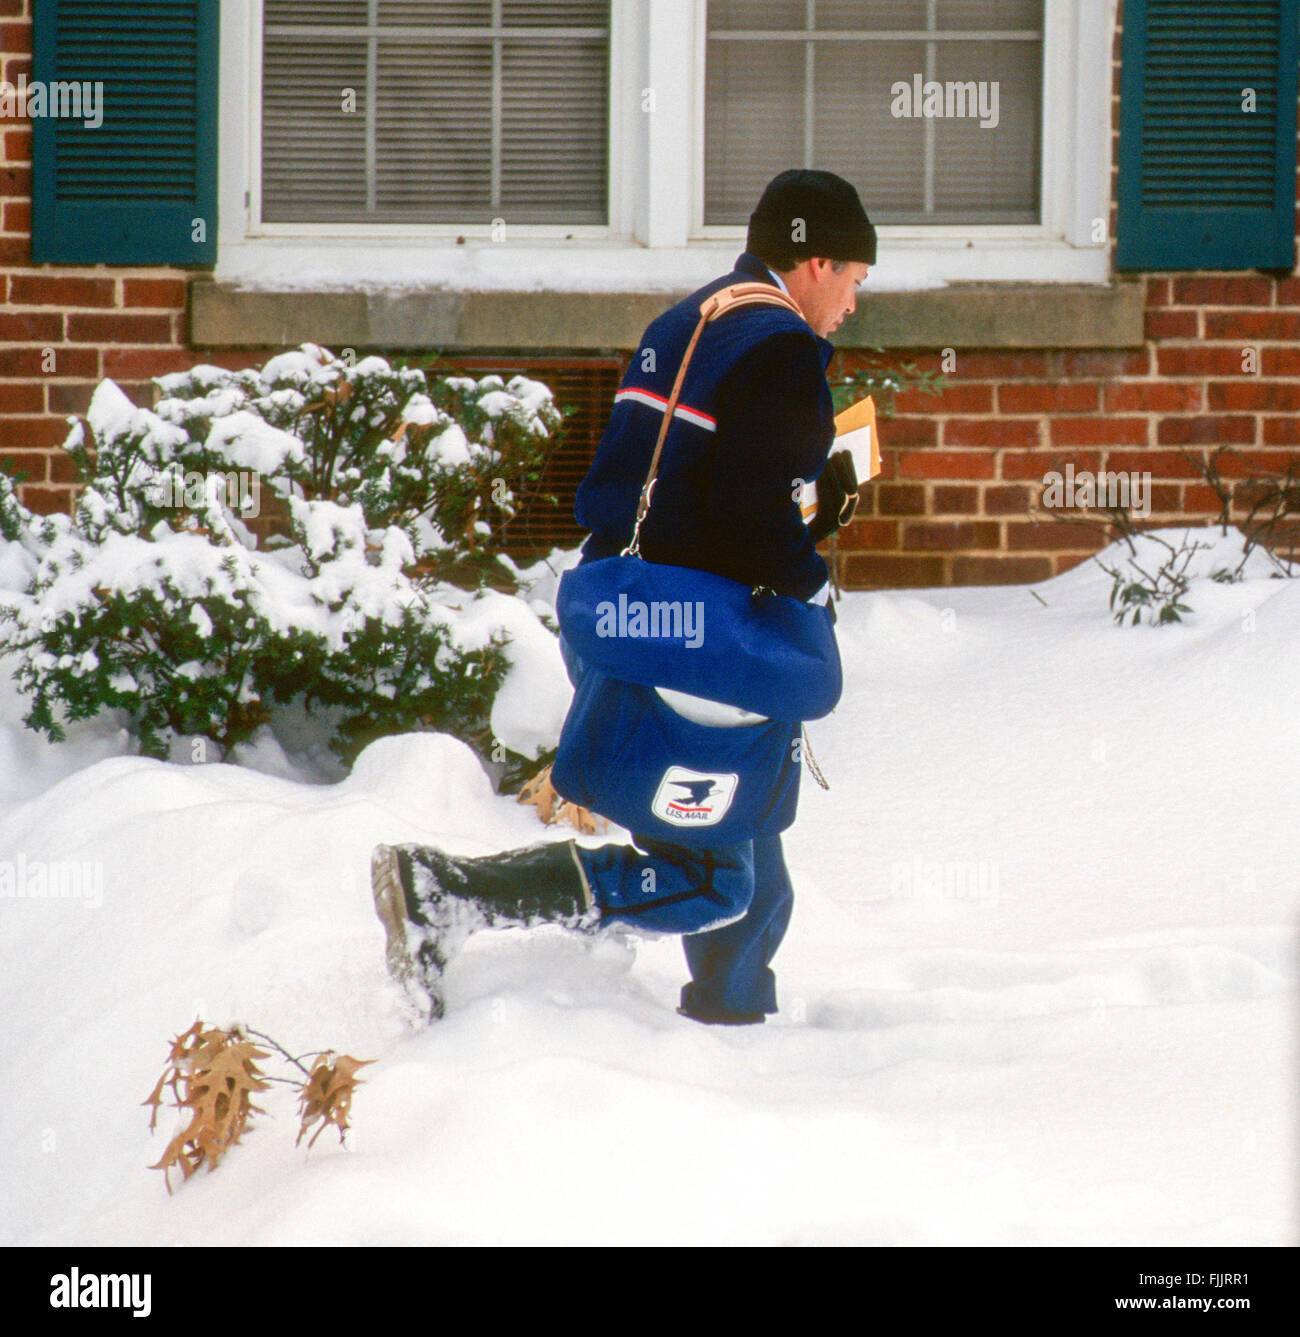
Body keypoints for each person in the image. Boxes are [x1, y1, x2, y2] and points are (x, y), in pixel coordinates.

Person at [371, 168, 874, 1024]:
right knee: (709, 878)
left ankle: (735, 1012)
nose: (854, 305)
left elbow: (678, 481)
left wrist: (803, 494)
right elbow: (749, 526)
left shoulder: (690, 321)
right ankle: (450, 892)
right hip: (696, 643)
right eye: (856, 280)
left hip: (624, 609)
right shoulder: (782, 348)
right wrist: (812, 556)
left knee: (750, 844)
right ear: (815, 261)